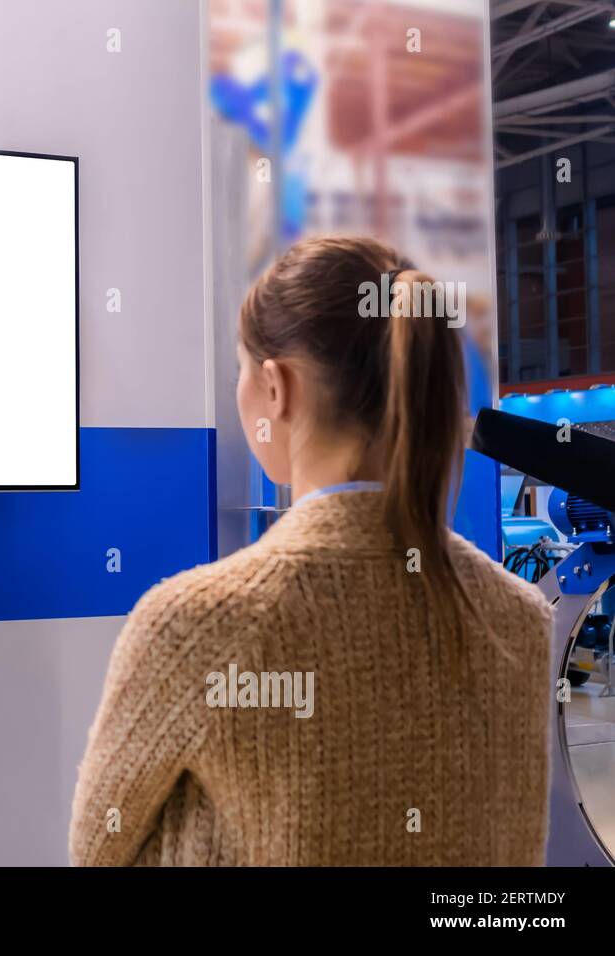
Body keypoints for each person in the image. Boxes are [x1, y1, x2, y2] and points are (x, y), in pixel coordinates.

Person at [69, 235, 553, 866]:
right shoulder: (518, 617)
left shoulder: (196, 624)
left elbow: (96, 854)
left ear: (277, 389)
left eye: (242, 370)